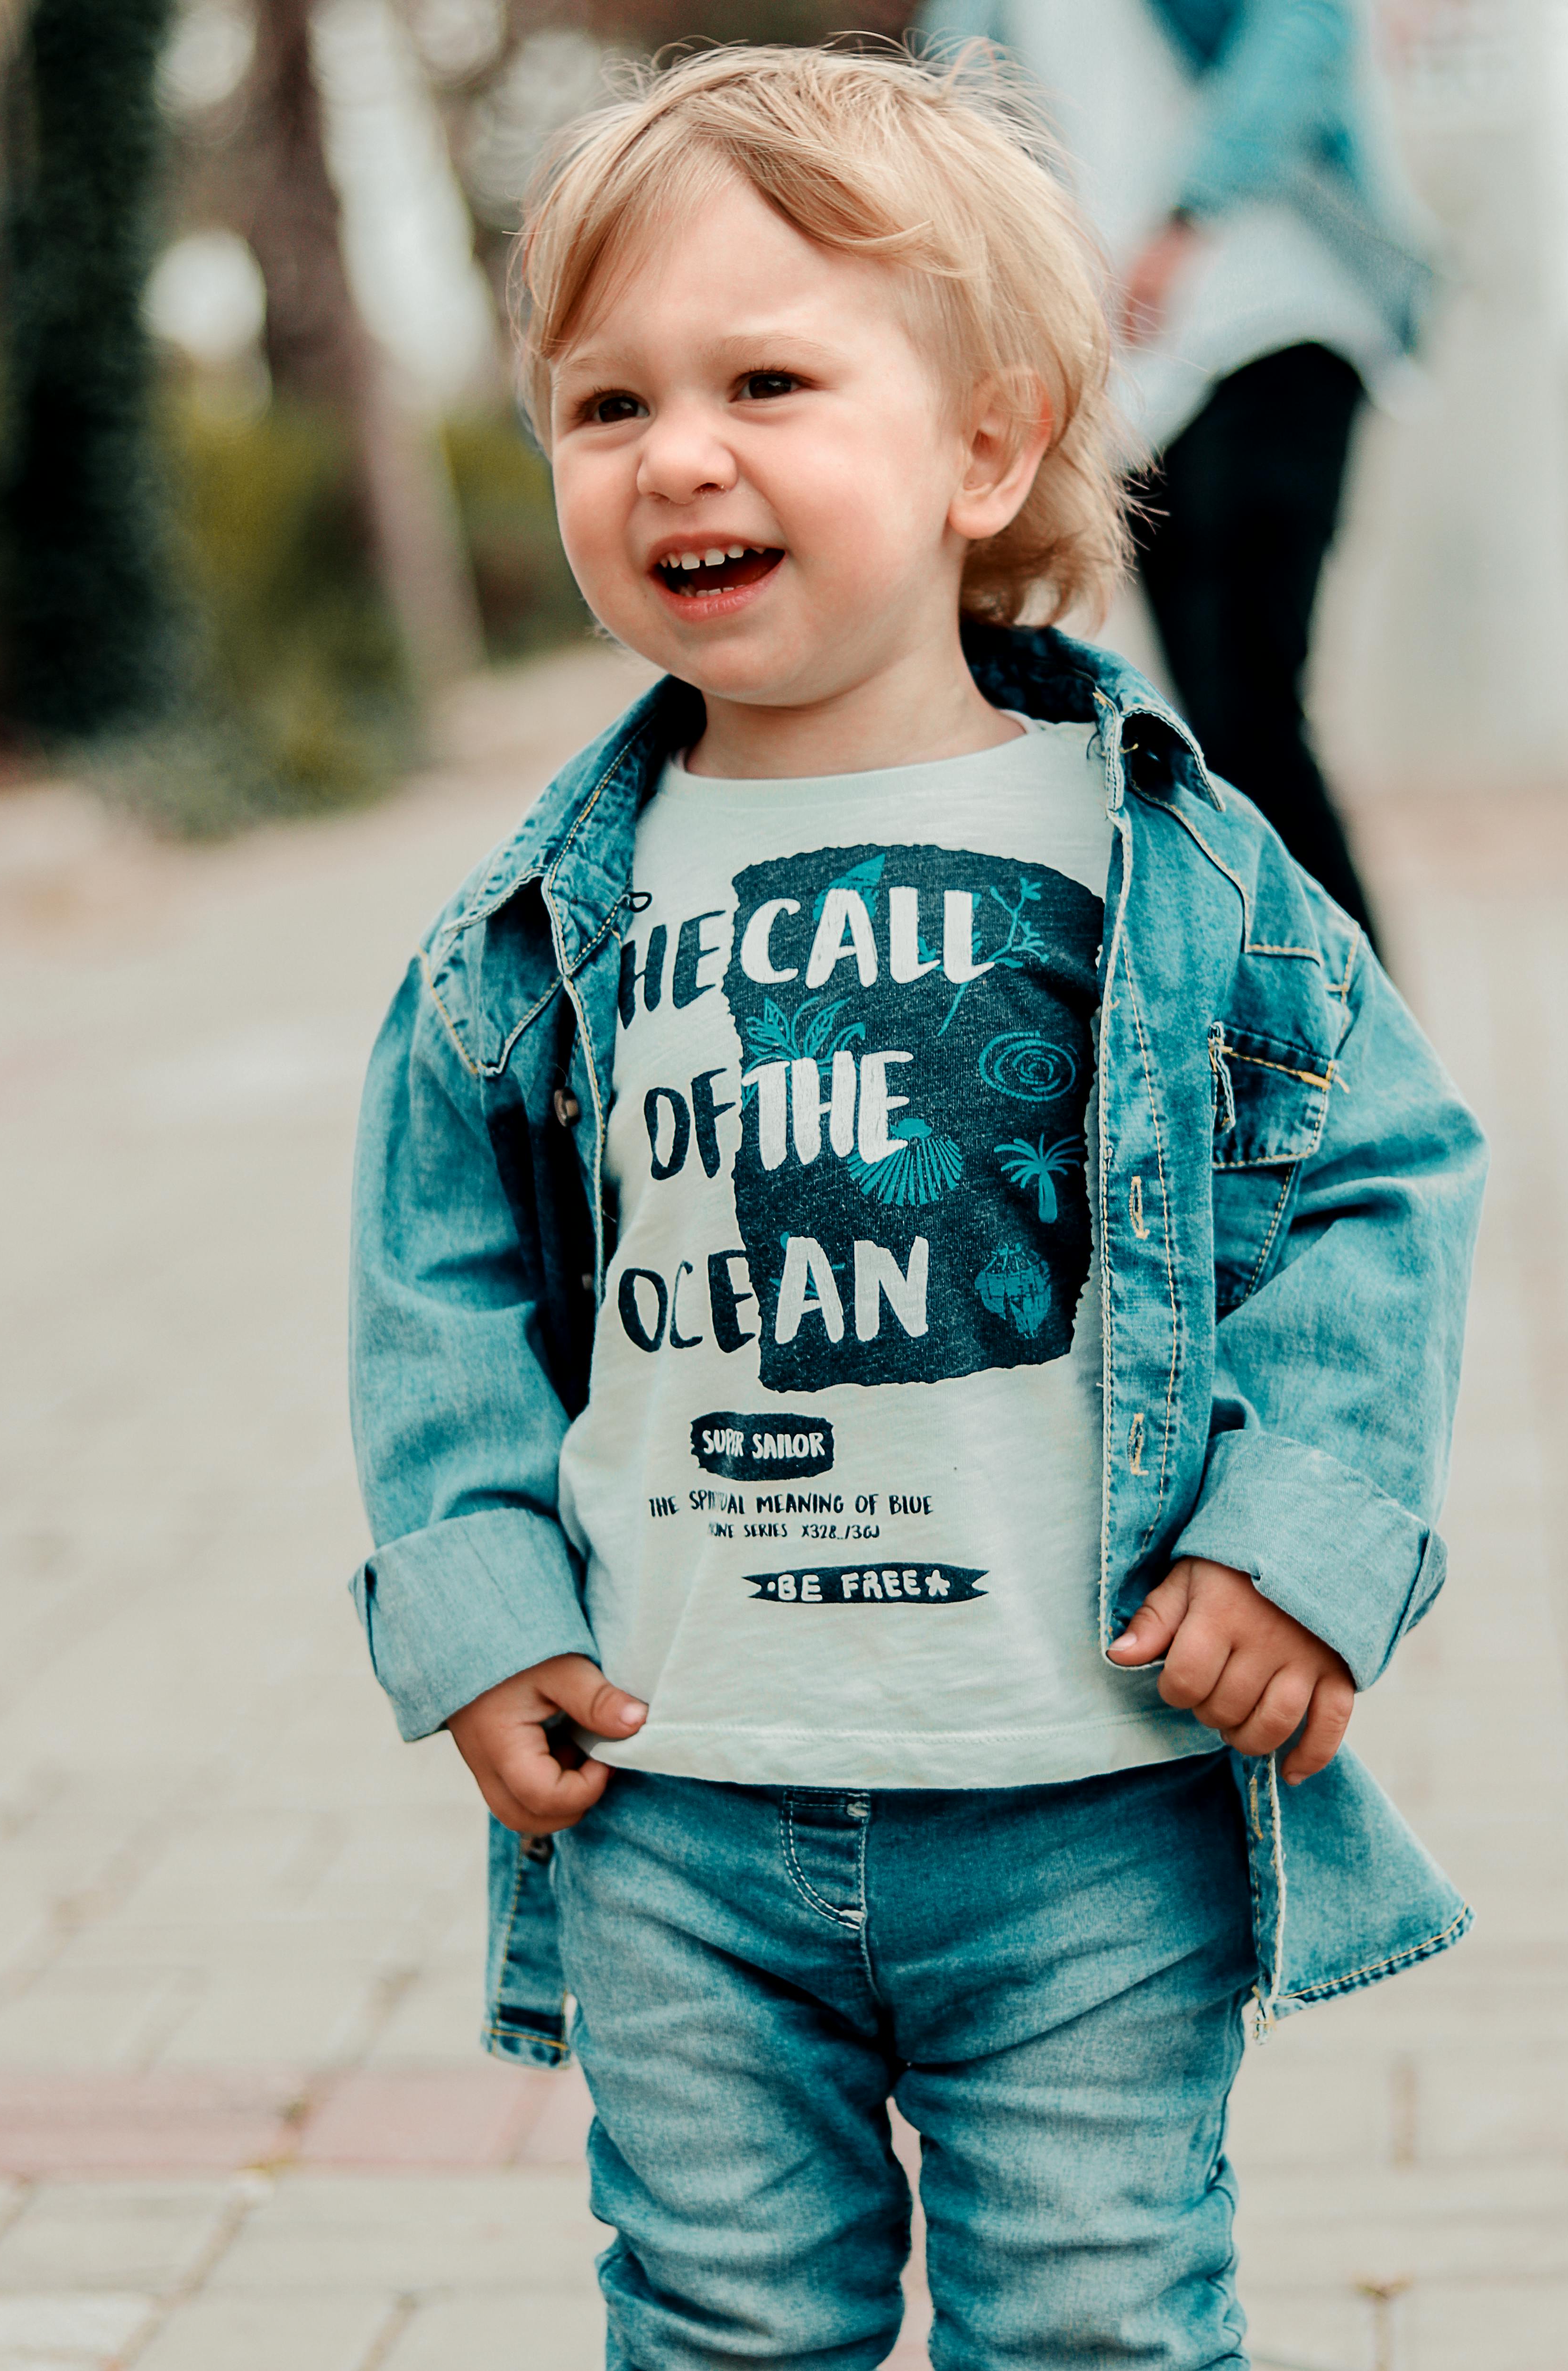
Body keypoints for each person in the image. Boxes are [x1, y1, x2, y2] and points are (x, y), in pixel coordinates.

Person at [348, 44, 1484, 2368]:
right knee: (721, 2323)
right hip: (678, 1800)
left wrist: (1303, 1533)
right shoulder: (537, 918)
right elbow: (435, 1271)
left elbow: (1387, 1169)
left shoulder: (1154, 854)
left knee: (1088, 2321)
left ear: (982, 445)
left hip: (1076, 1794)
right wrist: (466, 1596)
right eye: (603, 404)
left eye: (766, 379)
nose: (678, 454)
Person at [919, 0, 1441, 943]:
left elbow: (1307, 29)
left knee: (1250, 716)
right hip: (1133, 370)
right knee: (1208, 729)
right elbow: (953, 128)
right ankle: (1273, 1026)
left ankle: (1358, 1044)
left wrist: (1183, 217)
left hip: (1272, 312)